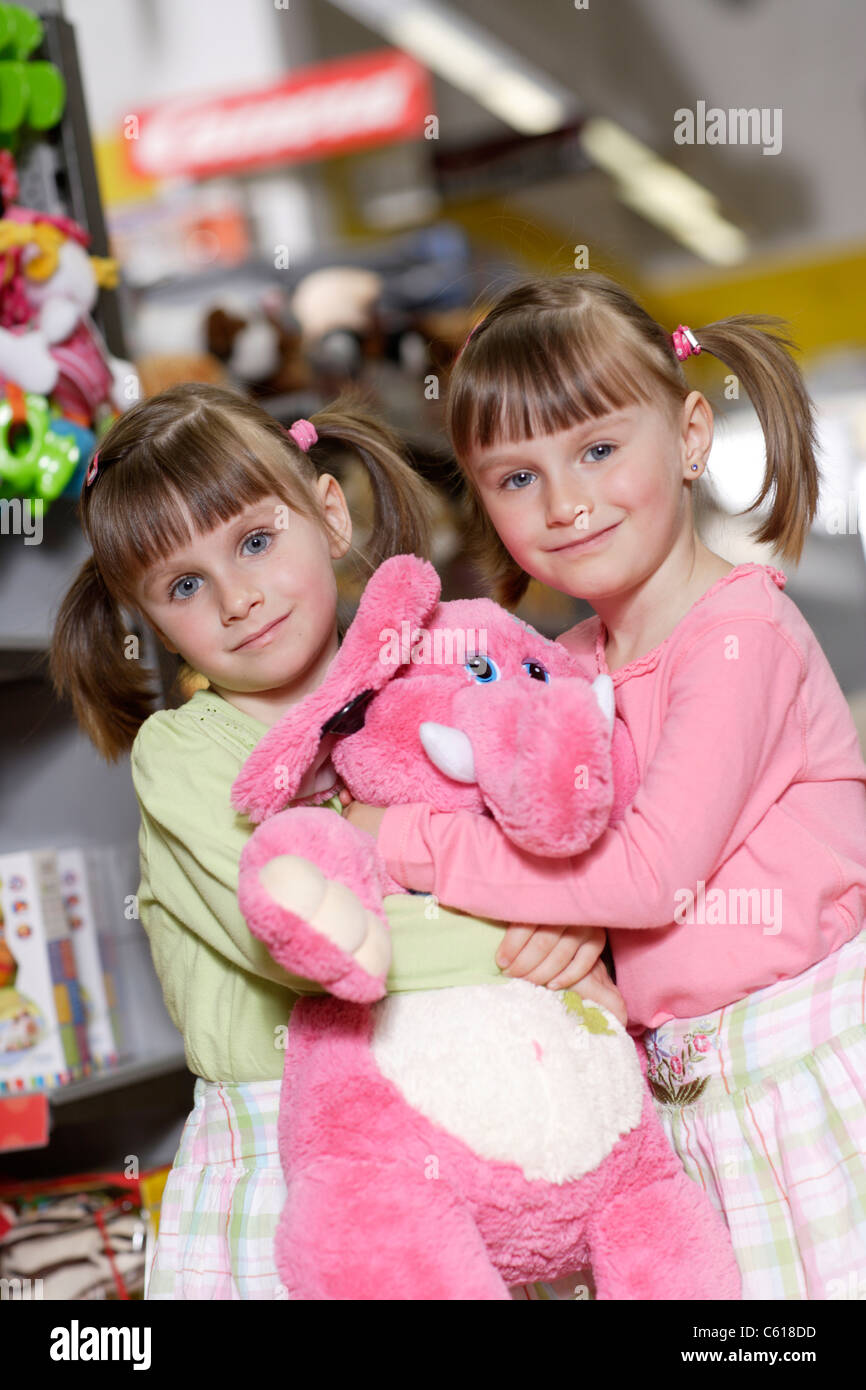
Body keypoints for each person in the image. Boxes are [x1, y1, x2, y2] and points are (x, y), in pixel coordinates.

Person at [342, 273, 866, 1300]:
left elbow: (646, 874)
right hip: (684, 1102)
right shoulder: (559, 665)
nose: (564, 500)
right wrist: (580, 940)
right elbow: (580, 868)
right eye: (514, 476)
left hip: (811, 1068)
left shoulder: (735, 634)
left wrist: (399, 841)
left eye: (595, 449)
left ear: (688, 435)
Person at [49, 380, 618, 1300]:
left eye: (256, 542)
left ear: (325, 509)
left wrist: (585, 915)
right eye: (185, 586)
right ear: (149, 620)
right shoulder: (186, 756)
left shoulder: (427, 677)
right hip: (294, 1159)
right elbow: (315, 945)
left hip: (477, 1126)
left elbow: (554, 809)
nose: (237, 599)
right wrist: (535, 931)